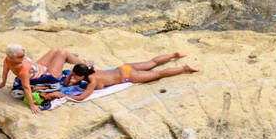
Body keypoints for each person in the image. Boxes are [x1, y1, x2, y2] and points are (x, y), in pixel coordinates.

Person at [67, 53, 197, 102]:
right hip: (124, 68)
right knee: (152, 62)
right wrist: (71, 74)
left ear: (82, 76)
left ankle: (184, 68)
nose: (73, 79)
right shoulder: (89, 70)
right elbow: (68, 84)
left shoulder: (92, 81)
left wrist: (64, 96)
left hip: (129, 76)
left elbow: (81, 97)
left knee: (158, 74)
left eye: (75, 76)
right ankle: (174, 55)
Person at [0, 45, 87, 112]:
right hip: (48, 76)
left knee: (55, 50)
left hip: (38, 67)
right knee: (62, 53)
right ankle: (83, 63)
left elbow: (5, 70)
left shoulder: (7, 59)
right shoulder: (23, 69)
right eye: (20, 57)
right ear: (12, 57)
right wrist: (32, 105)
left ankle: (70, 57)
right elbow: (26, 87)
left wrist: (3, 82)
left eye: (23, 54)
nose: (23, 57)